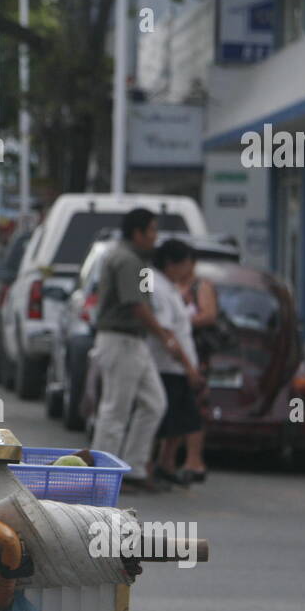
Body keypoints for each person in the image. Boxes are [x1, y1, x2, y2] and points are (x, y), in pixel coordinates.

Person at [88, 208, 177, 490]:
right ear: (137, 233)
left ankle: (134, 469)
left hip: (132, 341)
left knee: (154, 403)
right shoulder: (127, 260)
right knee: (115, 411)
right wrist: (164, 336)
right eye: (152, 230)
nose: (155, 236)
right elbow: (136, 305)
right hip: (120, 340)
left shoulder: (133, 258)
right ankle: (102, 477)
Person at [148, 239, 205, 487]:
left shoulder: (170, 286)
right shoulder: (158, 288)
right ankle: (152, 467)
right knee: (166, 421)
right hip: (168, 368)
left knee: (183, 420)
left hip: (177, 368)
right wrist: (189, 367)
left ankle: (166, 464)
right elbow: (167, 332)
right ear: (172, 264)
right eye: (187, 265)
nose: (190, 271)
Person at [179, 256, 220, 483]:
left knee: (196, 405)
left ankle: (194, 460)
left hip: (197, 355)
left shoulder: (201, 286)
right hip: (176, 356)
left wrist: (182, 321)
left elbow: (209, 315)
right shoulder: (171, 285)